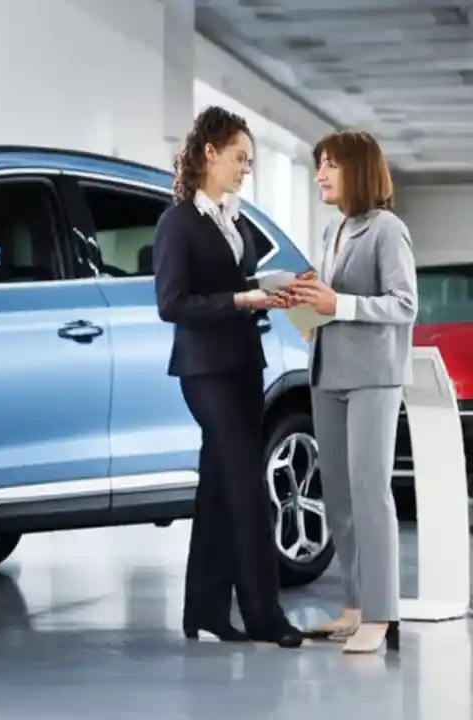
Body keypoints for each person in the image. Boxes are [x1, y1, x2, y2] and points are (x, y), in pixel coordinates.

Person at [153, 106, 304, 649]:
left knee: (218, 489)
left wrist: (266, 292)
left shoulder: (233, 219)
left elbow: (231, 286)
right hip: (205, 371)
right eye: (240, 157)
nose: (246, 168)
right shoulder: (177, 222)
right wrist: (241, 297)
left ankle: (206, 611)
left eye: (251, 160)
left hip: (244, 363)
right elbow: (171, 303)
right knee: (246, 485)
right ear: (209, 153)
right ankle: (266, 616)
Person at [285, 130, 415, 654]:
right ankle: (356, 607)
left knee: (370, 494)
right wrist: (300, 305)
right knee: (338, 498)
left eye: (330, 165)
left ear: (358, 170)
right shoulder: (334, 231)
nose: (320, 174)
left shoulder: (388, 230)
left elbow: (403, 305)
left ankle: (381, 617)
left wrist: (337, 304)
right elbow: (330, 304)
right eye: (319, 165)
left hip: (371, 378)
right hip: (328, 373)